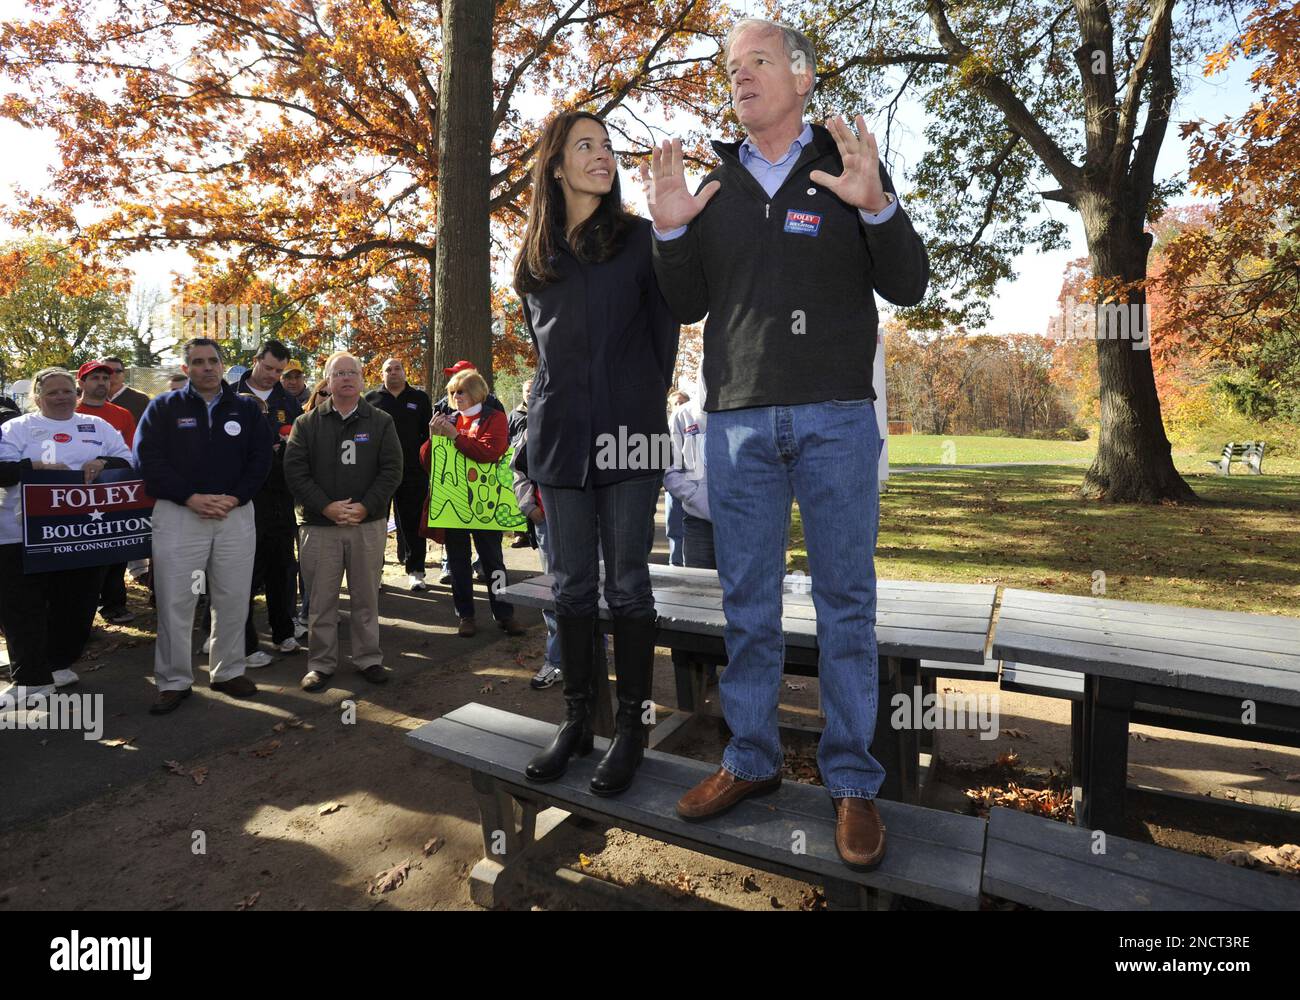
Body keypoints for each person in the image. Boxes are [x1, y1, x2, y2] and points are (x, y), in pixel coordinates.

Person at [643, 17, 928, 868]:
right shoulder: (716, 186)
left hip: (838, 417)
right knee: (747, 605)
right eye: (732, 67)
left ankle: (852, 782)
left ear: (804, 77)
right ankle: (752, 759)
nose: (740, 76)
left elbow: (909, 282)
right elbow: (688, 304)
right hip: (737, 422)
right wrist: (667, 232)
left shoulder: (845, 164)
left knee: (846, 604)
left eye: (758, 61)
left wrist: (875, 204)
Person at [513, 110, 679, 795]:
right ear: (556, 166)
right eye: (585, 146)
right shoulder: (533, 260)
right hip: (558, 444)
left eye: (608, 146)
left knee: (628, 586)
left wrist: (635, 407)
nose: (601, 156)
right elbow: (544, 356)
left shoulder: (642, 241)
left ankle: (633, 732)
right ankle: (579, 722)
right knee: (573, 587)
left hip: (630, 436)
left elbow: (665, 337)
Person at [135, 337, 273, 715]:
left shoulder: (245, 409)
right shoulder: (163, 407)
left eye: (213, 360)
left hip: (234, 513)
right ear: (186, 369)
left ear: (223, 365)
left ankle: (228, 671)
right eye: (197, 362)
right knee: (176, 601)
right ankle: (174, 680)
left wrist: (235, 496)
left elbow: (260, 460)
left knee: (232, 596)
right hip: (180, 514)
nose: (207, 368)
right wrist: (190, 497)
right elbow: (148, 460)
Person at [0, 368, 133, 710]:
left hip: (81, 534)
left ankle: (58, 665)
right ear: (37, 396)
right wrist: (33, 466)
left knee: (76, 603)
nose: (60, 397)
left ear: (76, 393)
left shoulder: (98, 426)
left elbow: (129, 460)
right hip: (21, 536)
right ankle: (30, 678)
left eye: (65, 391)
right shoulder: (16, 429)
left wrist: (103, 460)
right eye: (51, 392)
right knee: (22, 607)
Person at [284, 351, 403, 692]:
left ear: (363, 380)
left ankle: (368, 658)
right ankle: (321, 664)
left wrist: (366, 507)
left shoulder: (381, 421)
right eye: (339, 374)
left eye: (353, 373)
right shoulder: (306, 424)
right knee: (321, 600)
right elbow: (295, 471)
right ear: (328, 380)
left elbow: (392, 470)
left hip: (367, 525)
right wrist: (326, 507)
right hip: (320, 527)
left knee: (366, 596)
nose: (347, 378)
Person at [421, 368, 525, 639]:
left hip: (485, 505)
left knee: (494, 561)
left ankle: (505, 613)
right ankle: (465, 615)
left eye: (461, 391)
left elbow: (490, 452)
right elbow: (430, 463)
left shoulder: (495, 418)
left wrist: (455, 437)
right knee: (458, 562)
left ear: (477, 392)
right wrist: (434, 438)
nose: (456, 397)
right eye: (452, 392)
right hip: (454, 504)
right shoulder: (448, 418)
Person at [235, 340, 303, 660]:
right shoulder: (230, 396)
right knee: (245, 572)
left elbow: (302, 445)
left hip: (281, 497)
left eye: (280, 370)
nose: (274, 375)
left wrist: (286, 448)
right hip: (243, 499)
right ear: (256, 360)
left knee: (283, 567)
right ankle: (242, 642)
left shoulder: (288, 402)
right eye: (269, 368)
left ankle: (284, 632)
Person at [76, 360, 137, 626]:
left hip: (114, 492)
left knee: (117, 548)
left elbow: (132, 452)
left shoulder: (123, 414)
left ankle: (114, 603)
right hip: (76, 495)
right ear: (82, 383)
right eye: (94, 378)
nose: (101, 382)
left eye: (105, 378)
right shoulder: (71, 411)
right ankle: (81, 611)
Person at [364, 357, 433, 590]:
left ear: (405, 372)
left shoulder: (420, 399)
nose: (393, 372)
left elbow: (428, 436)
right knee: (376, 524)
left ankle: (416, 571)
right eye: (388, 369)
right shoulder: (371, 400)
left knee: (413, 523)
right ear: (381, 375)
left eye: (397, 368)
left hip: (413, 472)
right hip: (378, 474)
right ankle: (376, 572)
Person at [509, 419, 561, 689]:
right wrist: (529, 507)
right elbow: (518, 470)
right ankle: (557, 660)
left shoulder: (600, 414)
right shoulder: (536, 427)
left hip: (593, 523)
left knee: (597, 589)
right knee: (554, 591)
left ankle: (594, 656)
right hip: (549, 523)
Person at [663, 388, 690, 566]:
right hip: (672, 486)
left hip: (693, 483)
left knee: (691, 528)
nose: (679, 405)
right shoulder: (665, 426)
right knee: (674, 528)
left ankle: (691, 565)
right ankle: (676, 564)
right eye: (675, 403)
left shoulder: (694, 422)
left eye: (682, 402)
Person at [506, 381, 533, 549]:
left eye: (532, 390)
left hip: (535, 460)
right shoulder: (514, 414)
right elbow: (507, 434)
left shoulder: (543, 410)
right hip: (517, 459)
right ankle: (520, 534)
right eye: (526, 391)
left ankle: (534, 533)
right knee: (518, 496)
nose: (529, 394)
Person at [104, 357, 151, 424]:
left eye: (117, 371)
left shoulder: (141, 399)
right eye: (107, 371)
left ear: (124, 374)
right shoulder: (93, 398)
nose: (112, 374)